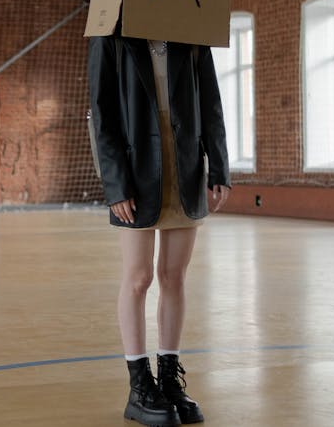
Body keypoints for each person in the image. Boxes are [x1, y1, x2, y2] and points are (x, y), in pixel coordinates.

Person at [88, 30, 231, 427]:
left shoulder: (190, 30)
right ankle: (139, 387)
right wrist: (115, 184)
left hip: (184, 166)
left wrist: (218, 165)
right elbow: (102, 111)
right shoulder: (110, 37)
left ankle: (169, 380)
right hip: (135, 174)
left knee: (174, 276)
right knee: (138, 278)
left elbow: (211, 103)